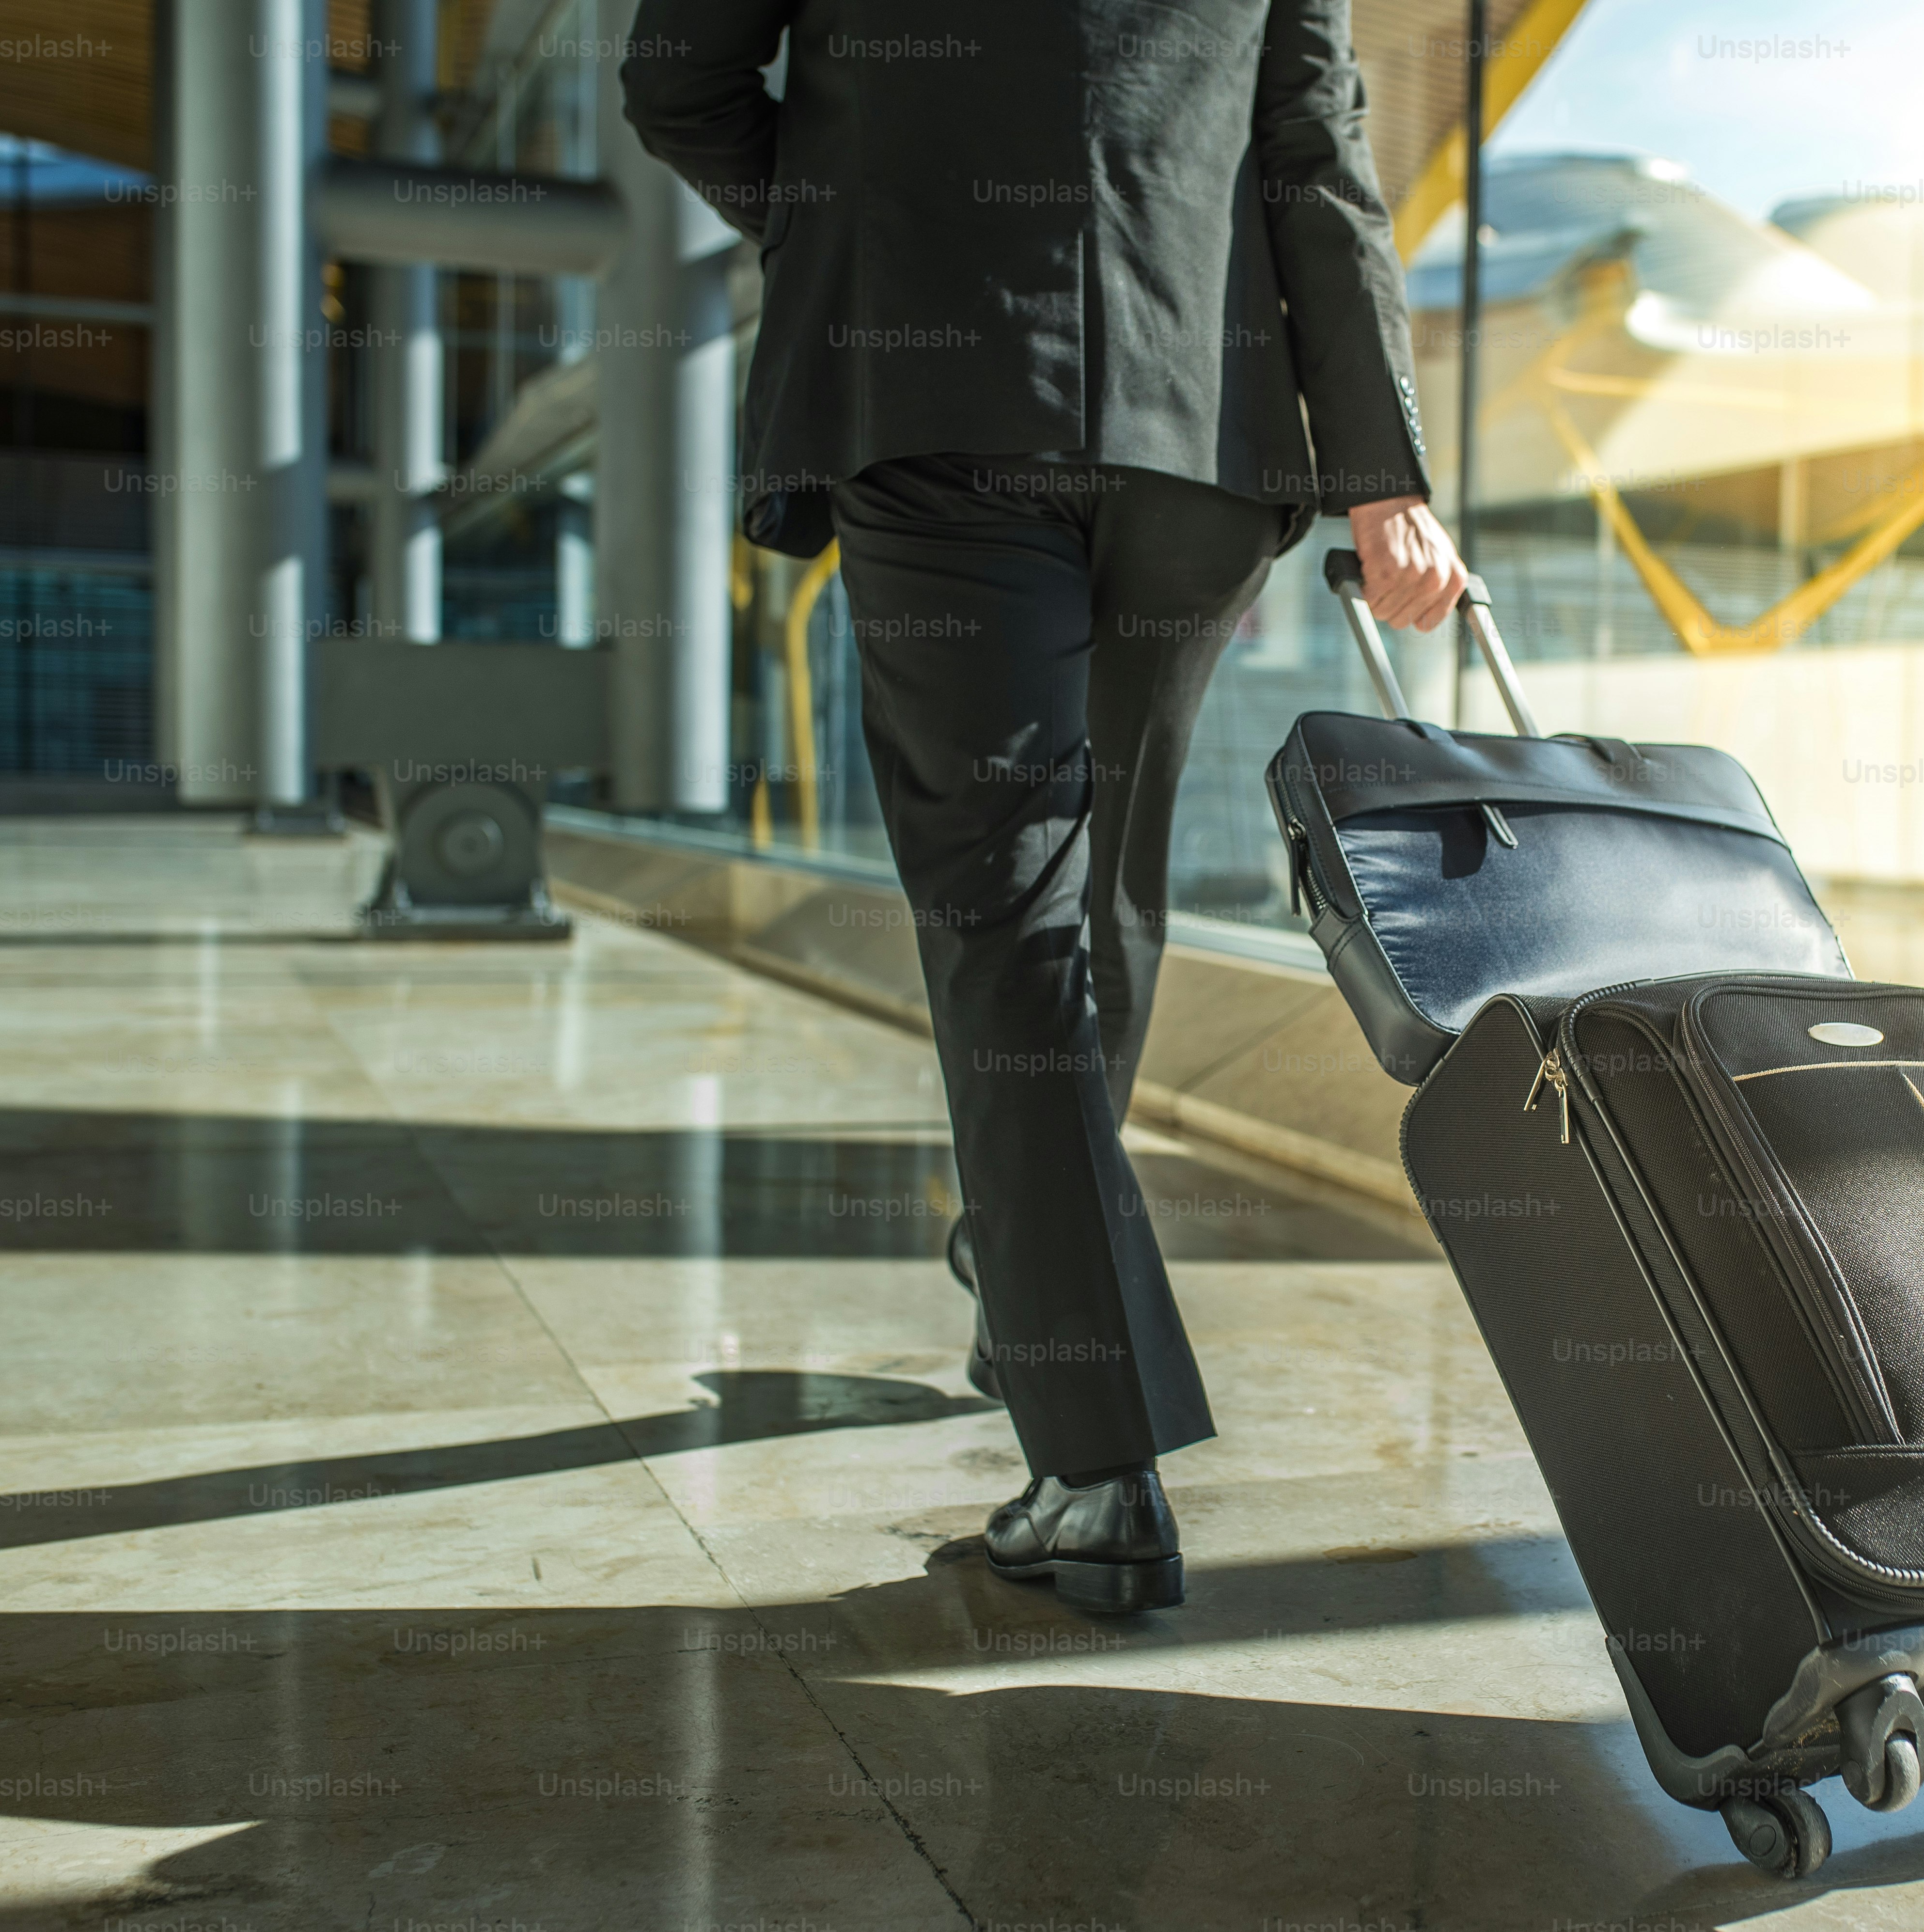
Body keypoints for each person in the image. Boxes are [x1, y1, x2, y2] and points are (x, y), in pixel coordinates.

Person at [621, 0, 1465, 1612]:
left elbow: (680, 81)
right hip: (1194, 424)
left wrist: (841, 222)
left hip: (934, 400)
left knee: (1009, 909)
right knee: (1108, 885)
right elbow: (1313, 160)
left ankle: (1093, 1462)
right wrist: (1383, 474)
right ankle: (1032, 1282)